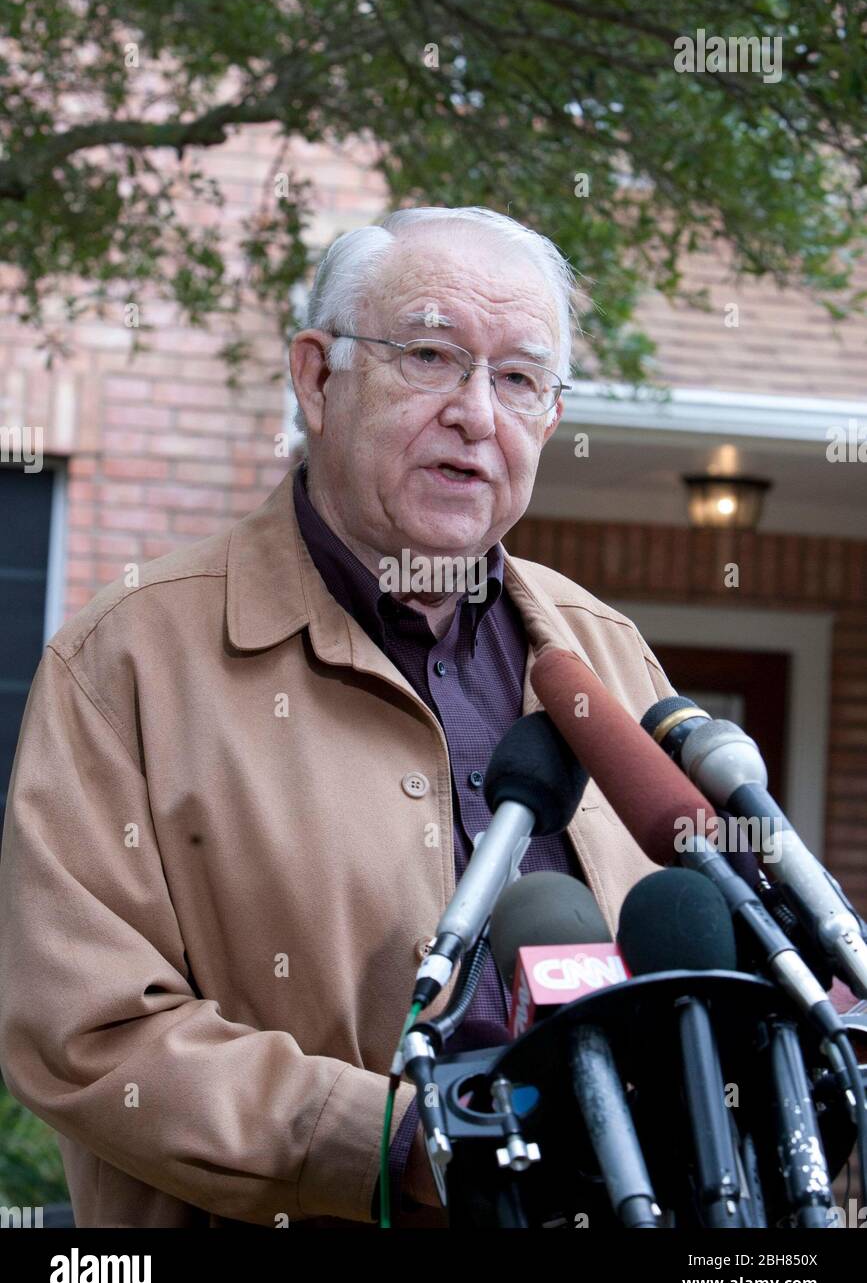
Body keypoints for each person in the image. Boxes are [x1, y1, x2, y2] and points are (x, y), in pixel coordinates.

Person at [0, 206, 674, 1229]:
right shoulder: (126, 661)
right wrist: (403, 1142)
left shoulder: (606, 654)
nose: (477, 414)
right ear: (317, 377)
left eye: (520, 379)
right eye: (434, 356)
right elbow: (85, 1033)